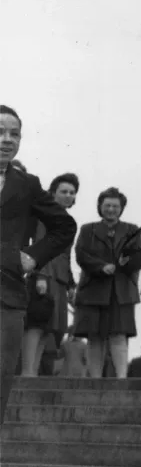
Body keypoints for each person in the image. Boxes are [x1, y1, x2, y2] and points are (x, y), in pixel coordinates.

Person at [0, 105, 77, 421]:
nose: (7, 139)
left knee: (2, 377)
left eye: (14, 133)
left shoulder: (27, 184)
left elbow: (64, 227)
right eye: (1, 132)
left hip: (7, 294)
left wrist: (32, 257)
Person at [74, 187, 141, 379]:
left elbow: (140, 256)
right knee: (94, 336)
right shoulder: (87, 229)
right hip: (93, 290)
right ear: (100, 206)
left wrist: (126, 263)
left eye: (115, 206)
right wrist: (101, 266)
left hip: (121, 291)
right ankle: (94, 379)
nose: (111, 209)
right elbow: (81, 254)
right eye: (107, 205)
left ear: (122, 208)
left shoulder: (132, 229)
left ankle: (121, 378)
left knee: (119, 335)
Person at [22, 173, 79, 376]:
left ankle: (33, 371)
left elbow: (66, 256)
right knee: (36, 324)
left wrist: (72, 284)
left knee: (50, 328)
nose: (68, 195)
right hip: (44, 275)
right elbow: (39, 246)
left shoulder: (68, 221)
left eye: (72, 192)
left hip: (61, 279)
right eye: (63, 191)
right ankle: (28, 372)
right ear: (53, 193)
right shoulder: (44, 217)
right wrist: (40, 276)